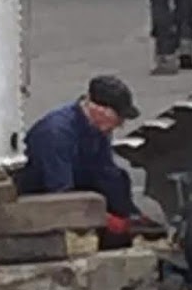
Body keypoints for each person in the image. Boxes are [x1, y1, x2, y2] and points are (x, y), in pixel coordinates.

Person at [18, 75, 141, 237]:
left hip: (78, 183)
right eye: (118, 118)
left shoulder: (98, 128)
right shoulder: (56, 134)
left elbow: (106, 172)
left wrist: (131, 214)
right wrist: (106, 220)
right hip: (42, 196)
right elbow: (61, 191)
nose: (121, 125)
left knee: (119, 178)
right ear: (99, 110)